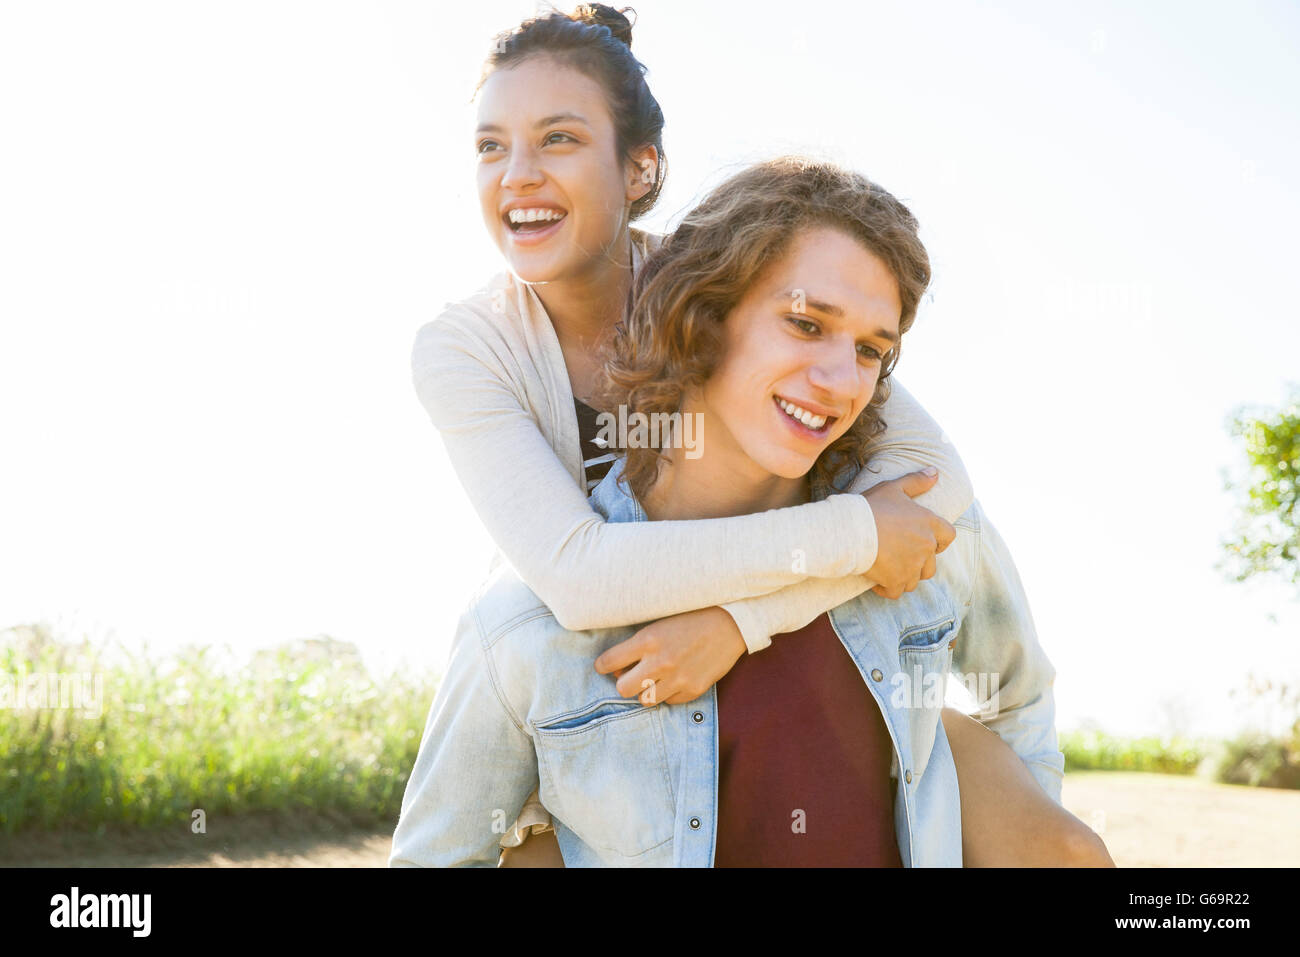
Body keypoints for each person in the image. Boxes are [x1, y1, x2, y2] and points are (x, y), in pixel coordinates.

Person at [390, 156, 1113, 867]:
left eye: (869, 349)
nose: (839, 380)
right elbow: (436, 855)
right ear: (705, 316)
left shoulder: (919, 535)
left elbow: (1016, 696)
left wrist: (1019, 822)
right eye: (804, 324)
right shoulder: (525, 627)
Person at [415, 2, 992, 864]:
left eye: (559, 139)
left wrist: (738, 619)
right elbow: (577, 577)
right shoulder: (462, 347)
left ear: (641, 168)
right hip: (586, 691)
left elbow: (934, 482)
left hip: (719, 677)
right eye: (491, 145)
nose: (518, 175)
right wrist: (856, 536)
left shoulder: (718, 289)